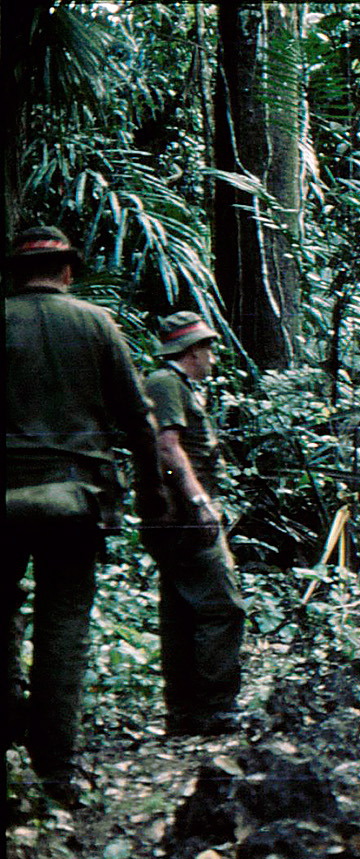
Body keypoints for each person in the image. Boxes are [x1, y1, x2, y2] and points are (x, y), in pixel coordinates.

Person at [5, 226, 169, 803]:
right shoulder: (96, 324)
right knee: (63, 627)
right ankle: (55, 771)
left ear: (16, 275)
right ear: (69, 271)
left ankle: (10, 714)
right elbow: (139, 419)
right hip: (75, 499)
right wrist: (153, 496)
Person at [143, 311, 247, 736]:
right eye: (207, 349)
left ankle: (185, 712)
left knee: (183, 610)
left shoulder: (176, 385)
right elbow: (167, 447)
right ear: (191, 351)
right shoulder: (166, 383)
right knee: (223, 607)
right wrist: (199, 500)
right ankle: (215, 708)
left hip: (176, 514)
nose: (212, 358)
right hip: (184, 515)